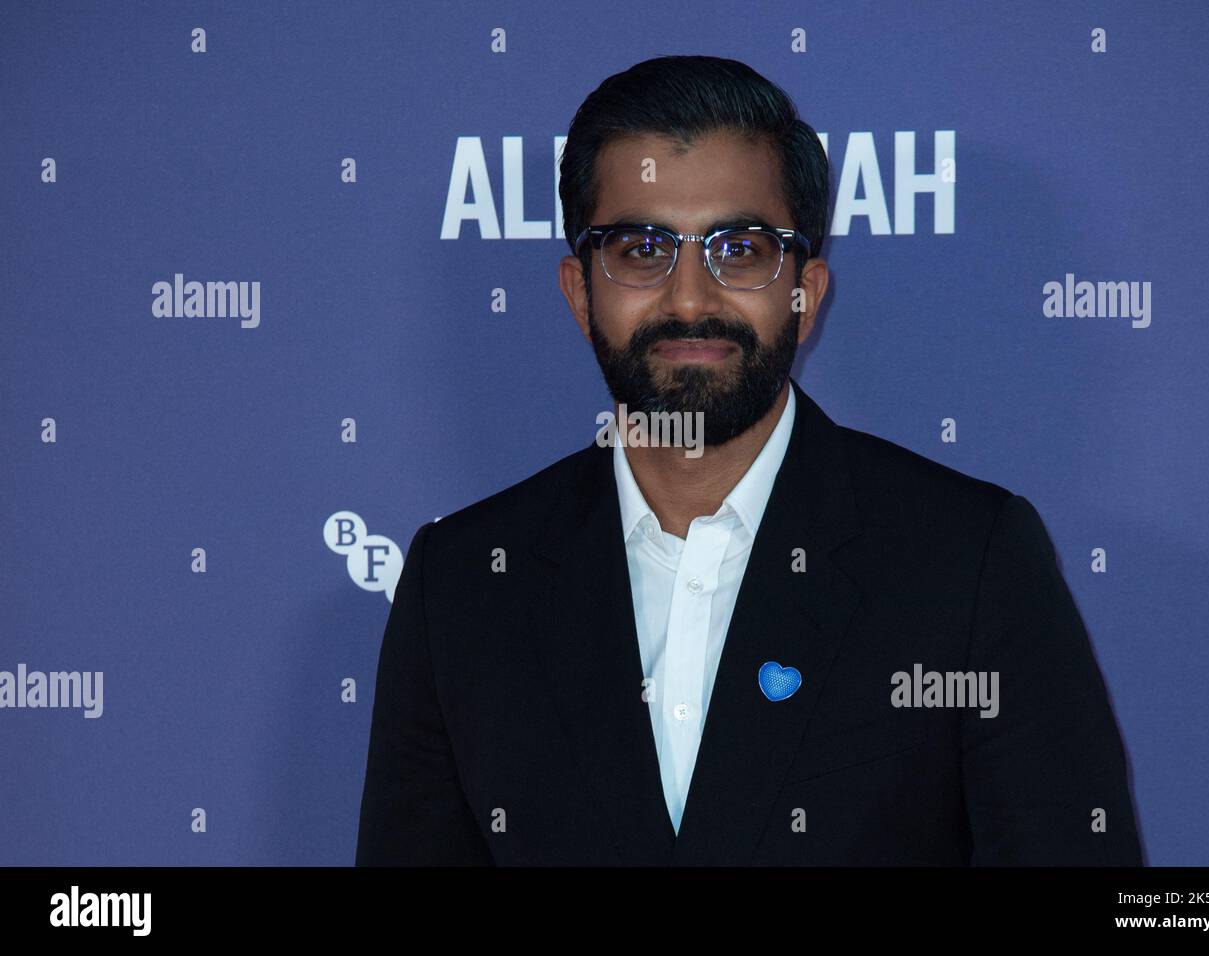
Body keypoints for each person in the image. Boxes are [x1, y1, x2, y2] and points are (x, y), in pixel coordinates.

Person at [355, 54, 1143, 866]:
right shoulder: (462, 585)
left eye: (740, 251)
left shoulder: (968, 561)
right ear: (578, 290)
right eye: (638, 248)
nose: (690, 298)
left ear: (807, 292)